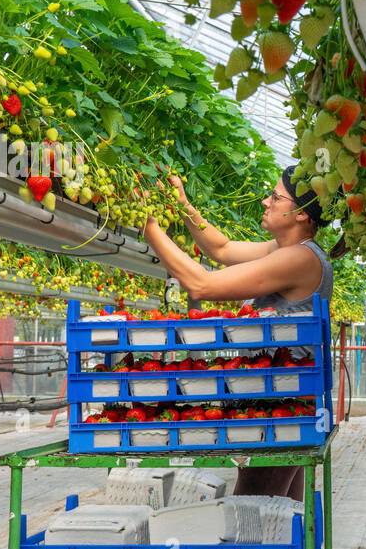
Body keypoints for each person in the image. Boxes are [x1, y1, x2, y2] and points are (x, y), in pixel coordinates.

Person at [142, 165, 341, 500]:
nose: (266, 201)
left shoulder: (301, 259)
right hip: (281, 403)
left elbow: (201, 284)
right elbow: (220, 249)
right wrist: (182, 205)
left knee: (253, 514)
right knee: (281, 514)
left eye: (276, 197)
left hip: (282, 406)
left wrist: (149, 227)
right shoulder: (285, 251)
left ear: (302, 215)